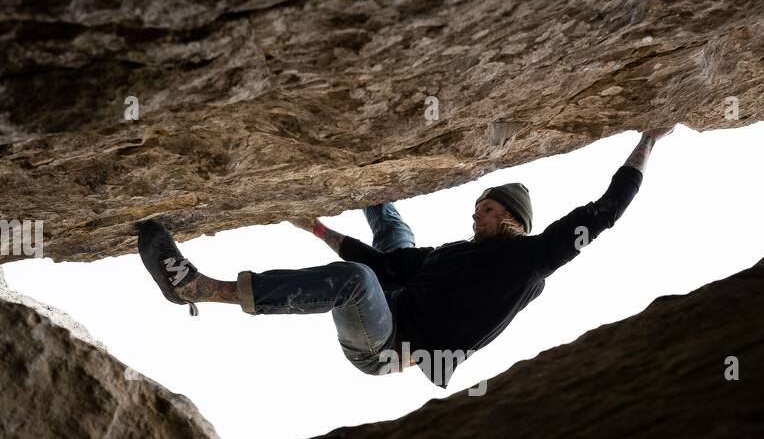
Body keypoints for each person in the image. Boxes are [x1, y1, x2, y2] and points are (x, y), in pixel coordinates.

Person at [136, 128, 673, 389]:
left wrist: (648, 141)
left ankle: (201, 289)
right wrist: (319, 227)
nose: (473, 218)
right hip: (395, 295)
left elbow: (605, 211)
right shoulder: (455, 254)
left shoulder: (534, 260)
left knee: (354, 281)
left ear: (510, 217)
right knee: (395, 234)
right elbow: (390, 266)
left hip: (384, 345)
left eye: (482, 210)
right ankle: (358, 165)